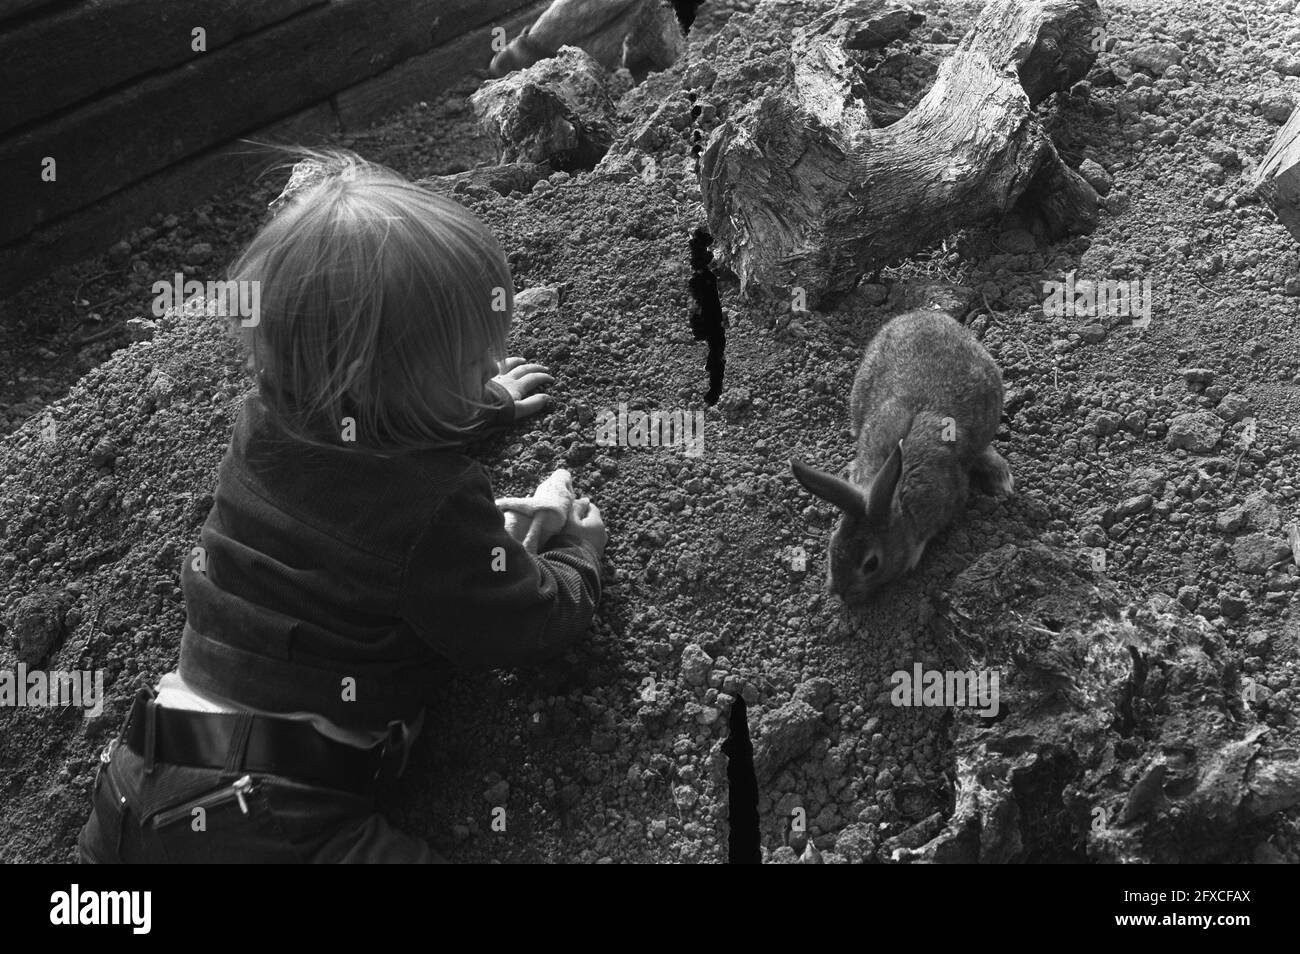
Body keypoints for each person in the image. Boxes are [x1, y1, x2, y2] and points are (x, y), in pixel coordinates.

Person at [78, 150, 606, 863]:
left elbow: (356, 449)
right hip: (265, 819)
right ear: (390, 387)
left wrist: (479, 408)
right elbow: (530, 620)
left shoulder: (263, 425)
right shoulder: (434, 507)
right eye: (471, 362)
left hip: (135, 782)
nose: (491, 366)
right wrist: (576, 553)